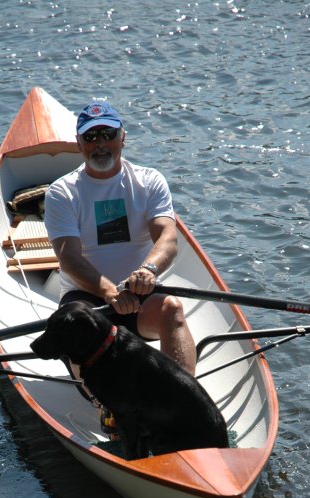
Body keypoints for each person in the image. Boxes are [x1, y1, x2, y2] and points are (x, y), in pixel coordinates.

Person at [44, 99, 197, 376]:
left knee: (172, 308)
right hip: (88, 298)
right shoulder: (62, 193)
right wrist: (109, 292)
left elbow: (167, 237)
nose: (100, 143)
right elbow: (69, 258)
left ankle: (187, 396)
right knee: (79, 328)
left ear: (123, 138)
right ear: (79, 144)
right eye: (91, 136)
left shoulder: (149, 181)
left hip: (138, 293)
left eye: (108, 134)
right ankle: (103, 406)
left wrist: (148, 271)